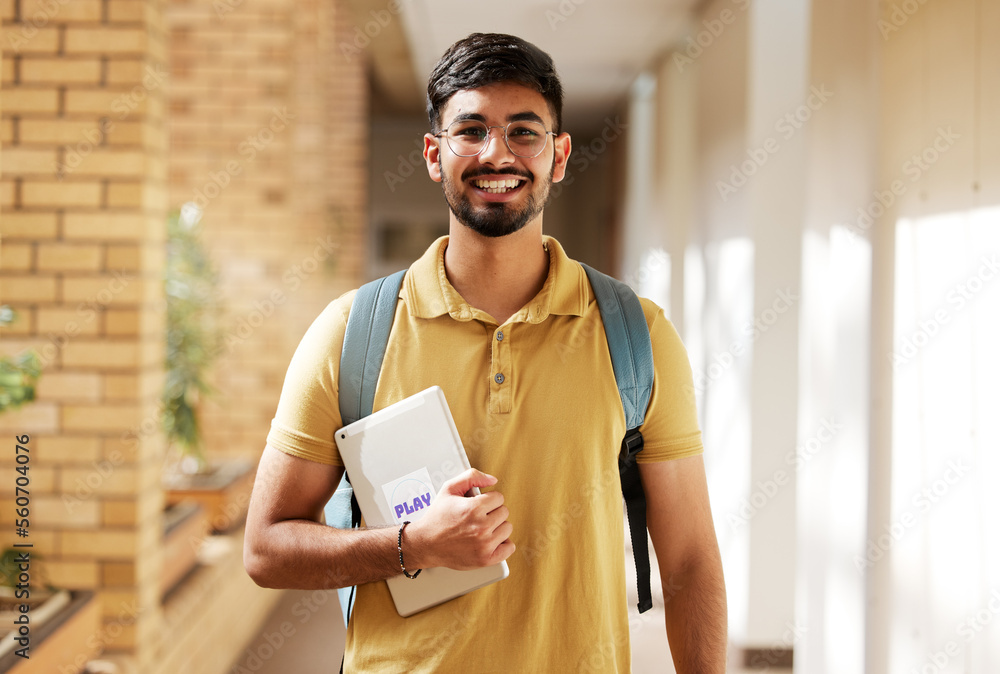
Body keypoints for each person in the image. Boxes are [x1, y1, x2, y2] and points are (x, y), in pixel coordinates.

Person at [244, 32, 727, 673]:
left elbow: (690, 560)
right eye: (470, 130)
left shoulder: (636, 335)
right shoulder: (349, 333)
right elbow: (266, 549)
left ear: (559, 156)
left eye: (523, 132)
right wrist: (412, 546)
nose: (496, 153)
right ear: (433, 155)